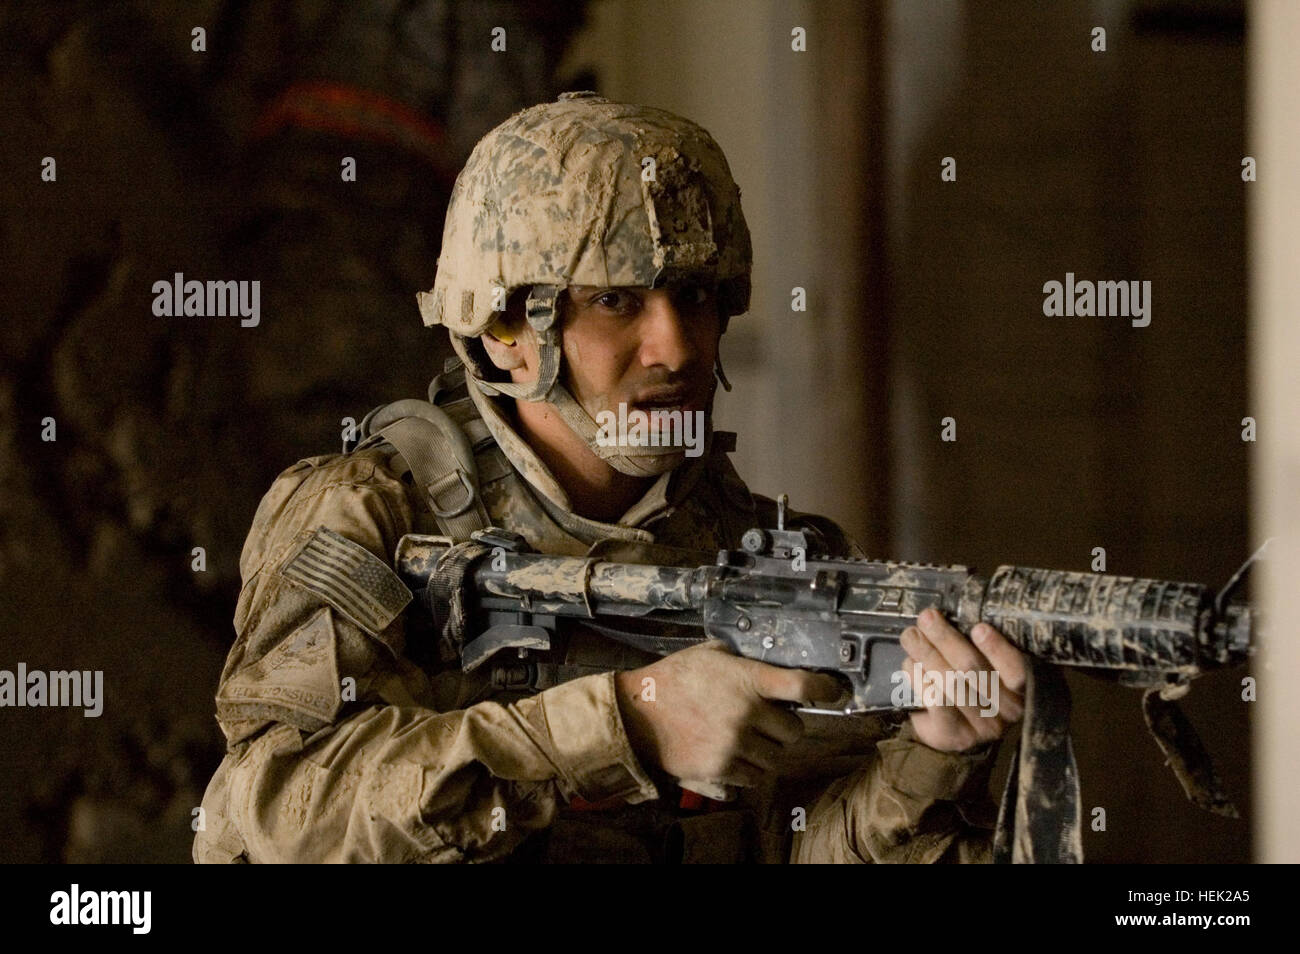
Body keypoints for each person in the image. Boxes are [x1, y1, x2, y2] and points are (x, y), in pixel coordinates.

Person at [193, 93, 1027, 864]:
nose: (676, 348)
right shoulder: (370, 514)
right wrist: (631, 721)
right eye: (617, 303)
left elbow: (795, 846)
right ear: (502, 329)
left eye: (696, 296)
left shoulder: (766, 557)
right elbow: (265, 813)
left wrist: (931, 759)